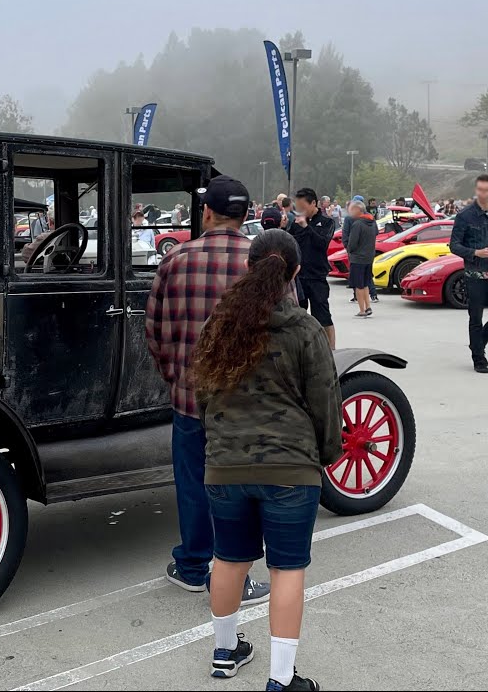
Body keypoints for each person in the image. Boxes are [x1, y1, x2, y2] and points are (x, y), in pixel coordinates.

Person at [193, 229, 340, 692]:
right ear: (296, 272)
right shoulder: (304, 329)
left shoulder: (218, 325)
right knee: (287, 570)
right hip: (290, 469)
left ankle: (224, 650)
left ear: (248, 267)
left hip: (225, 466)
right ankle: (281, 680)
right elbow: (325, 401)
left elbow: (201, 397)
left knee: (229, 559)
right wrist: (325, 454)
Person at [145, 175, 271, 607]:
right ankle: (235, 576)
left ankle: (193, 565)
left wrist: (175, 376)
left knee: (194, 484)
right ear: (247, 215)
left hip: (190, 399)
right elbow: (286, 334)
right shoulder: (264, 266)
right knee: (241, 488)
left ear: (208, 213)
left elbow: (155, 332)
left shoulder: (175, 260)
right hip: (247, 403)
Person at [449, 174, 488, 374]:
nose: (482, 193)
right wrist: (476, 252)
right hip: (474, 274)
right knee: (475, 317)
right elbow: (454, 245)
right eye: (479, 189)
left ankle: (478, 342)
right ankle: (479, 358)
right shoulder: (465, 215)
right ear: (476, 190)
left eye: (486, 190)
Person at [290, 187, 337, 348]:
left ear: (314, 203)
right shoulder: (295, 223)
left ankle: (331, 350)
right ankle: (301, 350)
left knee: (323, 316)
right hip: (299, 277)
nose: (300, 211)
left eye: (303, 207)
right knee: (298, 317)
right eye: (298, 207)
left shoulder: (327, 222)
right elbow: (289, 243)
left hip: (317, 277)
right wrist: (283, 228)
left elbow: (322, 243)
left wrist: (306, 227)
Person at [345, 199, 377, 318]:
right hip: (369, 256)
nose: (350, 211)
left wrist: (350, 250)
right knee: (365, 283)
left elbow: (352, 242)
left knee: (358, 285)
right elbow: (376, 234)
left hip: (358, 258)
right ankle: (368, 306)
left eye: (352, 209)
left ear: (358, 210)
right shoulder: (372, 222)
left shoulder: (357, 224)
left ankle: (362, 310)